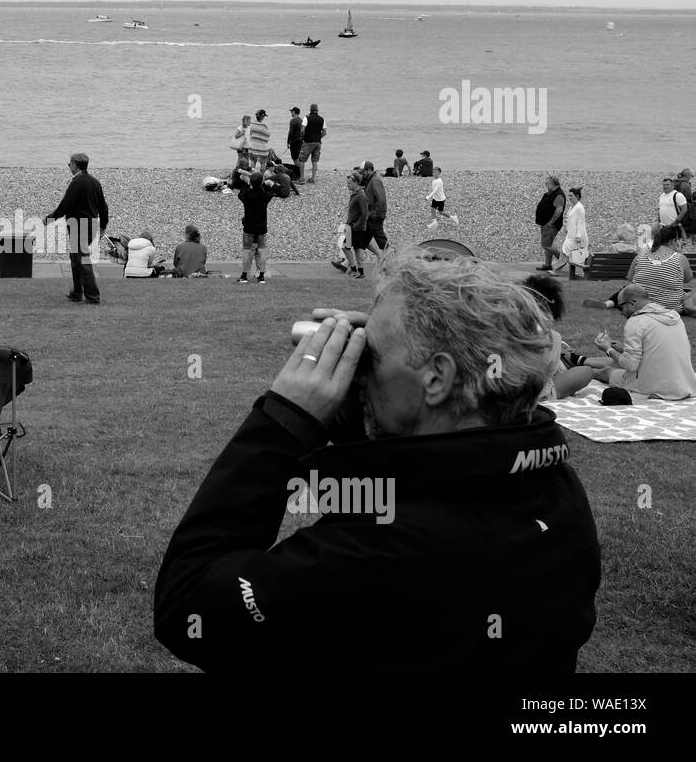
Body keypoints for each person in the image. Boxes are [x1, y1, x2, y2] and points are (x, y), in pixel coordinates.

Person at [153, 251, 602, 672]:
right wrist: (365, 414)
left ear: (437, 378)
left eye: (374, 355)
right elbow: (424, 485)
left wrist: (282, 423)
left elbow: (189, 603)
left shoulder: (383, 553)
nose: (360, 369)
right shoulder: (552, 484)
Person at [585, 284, 696, 400]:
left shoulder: (636, 321)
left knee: (607, 371)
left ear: (632, 303)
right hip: (684, 383)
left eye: (620, 308)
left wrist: (608, 349)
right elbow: (654, 351)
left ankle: (580, 372)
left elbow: (630, 365)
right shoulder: (674, 316)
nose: (621, 313)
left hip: (654, 387)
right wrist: (622, 349)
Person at [45, 152, 109, 305]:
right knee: (76, 258)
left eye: (69, 164)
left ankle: (93, 296)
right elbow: (103, 207)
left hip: (79, 225)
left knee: (82, 259)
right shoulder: (95, 182)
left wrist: (49, 219)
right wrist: (103, 226)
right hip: (91, 224)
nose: (69, 166)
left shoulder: (76, 183)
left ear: (75, 165)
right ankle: (77, 292)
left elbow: (66, 205)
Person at [584, 224, 691, 312]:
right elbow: (687, 279)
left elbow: (630, 278)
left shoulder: (641, 255)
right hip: (669, 308)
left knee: (628, 288)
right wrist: (679, 252)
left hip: (639, 305)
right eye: (680, 239)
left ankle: (608, 304)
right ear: (673, 241)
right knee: (685, 293)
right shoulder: (680, 258)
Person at [521, 274, 594, 400]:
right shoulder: (553, 337)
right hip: (536, 392)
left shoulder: (503, 331)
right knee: (585, 372)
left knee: (584, 371)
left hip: (511, 391)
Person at [237, 171, 272, 284]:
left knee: (247, 251)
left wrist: (248, 184)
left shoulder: (247, 194)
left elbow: (240, 194)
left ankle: (244, 275)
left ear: (252, 182)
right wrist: (264, 184)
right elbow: (270, 193)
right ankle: (261, 275)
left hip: (249, 225)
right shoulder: (265, 195)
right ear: (261, 182)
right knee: (262, 250)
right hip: (261, 225)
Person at [333, 171, 369, 278]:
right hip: (352, 226)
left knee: (345, 247)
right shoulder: (355, 194)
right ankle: (360, 272)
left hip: (355, 228)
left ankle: (354, 269)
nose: (347, 185)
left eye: (349, 183)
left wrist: (356, 226)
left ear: (356, 183)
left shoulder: (360, 196)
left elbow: (364, 213)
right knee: (357, 249)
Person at [551, 187, 588, 279]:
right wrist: (566, 228)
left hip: (577, 236)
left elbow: (580, 222)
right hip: (571, 235)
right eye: (569, 196)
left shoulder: (579, 207)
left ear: (577, 196)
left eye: (571, 196)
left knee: (571, 252)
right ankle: (556, 269)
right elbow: (570, 219)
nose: (569, 197)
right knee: (566, 251)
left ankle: (556, 269)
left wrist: (578, 236)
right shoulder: (572, 207)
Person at [358, 160, 388, 266]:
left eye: (363, 172)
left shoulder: (375, 181)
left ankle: (393, 260)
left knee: (382, 241)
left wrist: (377, 215)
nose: (362, 174)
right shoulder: (370, 180)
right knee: (362, 242)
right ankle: (347, 265)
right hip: (371, 216)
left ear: (369, 170)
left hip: (375, 216)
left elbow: (382, 199)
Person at [535, 176, 567, 271]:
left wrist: (550, 222)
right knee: (548, 244)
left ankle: (562, 260)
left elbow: (559, 210)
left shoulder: (559, 195)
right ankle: (548, 264)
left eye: (547, 183)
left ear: (553, 184)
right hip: (545, 223)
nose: (546, 185)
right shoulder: (550, 193)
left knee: (546, 245)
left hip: (551, 225)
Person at [296, 103, 325, 184]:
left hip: (308, 142)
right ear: (317, 110)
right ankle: (312, 178)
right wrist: (318, 137)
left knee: (301, 160)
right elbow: (325, 132)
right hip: (318, 142)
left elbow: (302, 130)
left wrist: (303, 138)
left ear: (310, 110)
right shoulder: (322, 119)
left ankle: (302, 179)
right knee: (315, 161)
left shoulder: (307, 118)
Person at [657, 176, 687, 242]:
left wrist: (676, 222)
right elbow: (660, 208)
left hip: (675, 227)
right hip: (664, 226)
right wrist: (659, 219)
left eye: (667, 185)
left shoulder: (678, 195)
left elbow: (684, 209)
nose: (665, 186)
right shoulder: (662, 196)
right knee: (666, 247)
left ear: (672, 185)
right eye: (664, 185)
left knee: (676, 246)